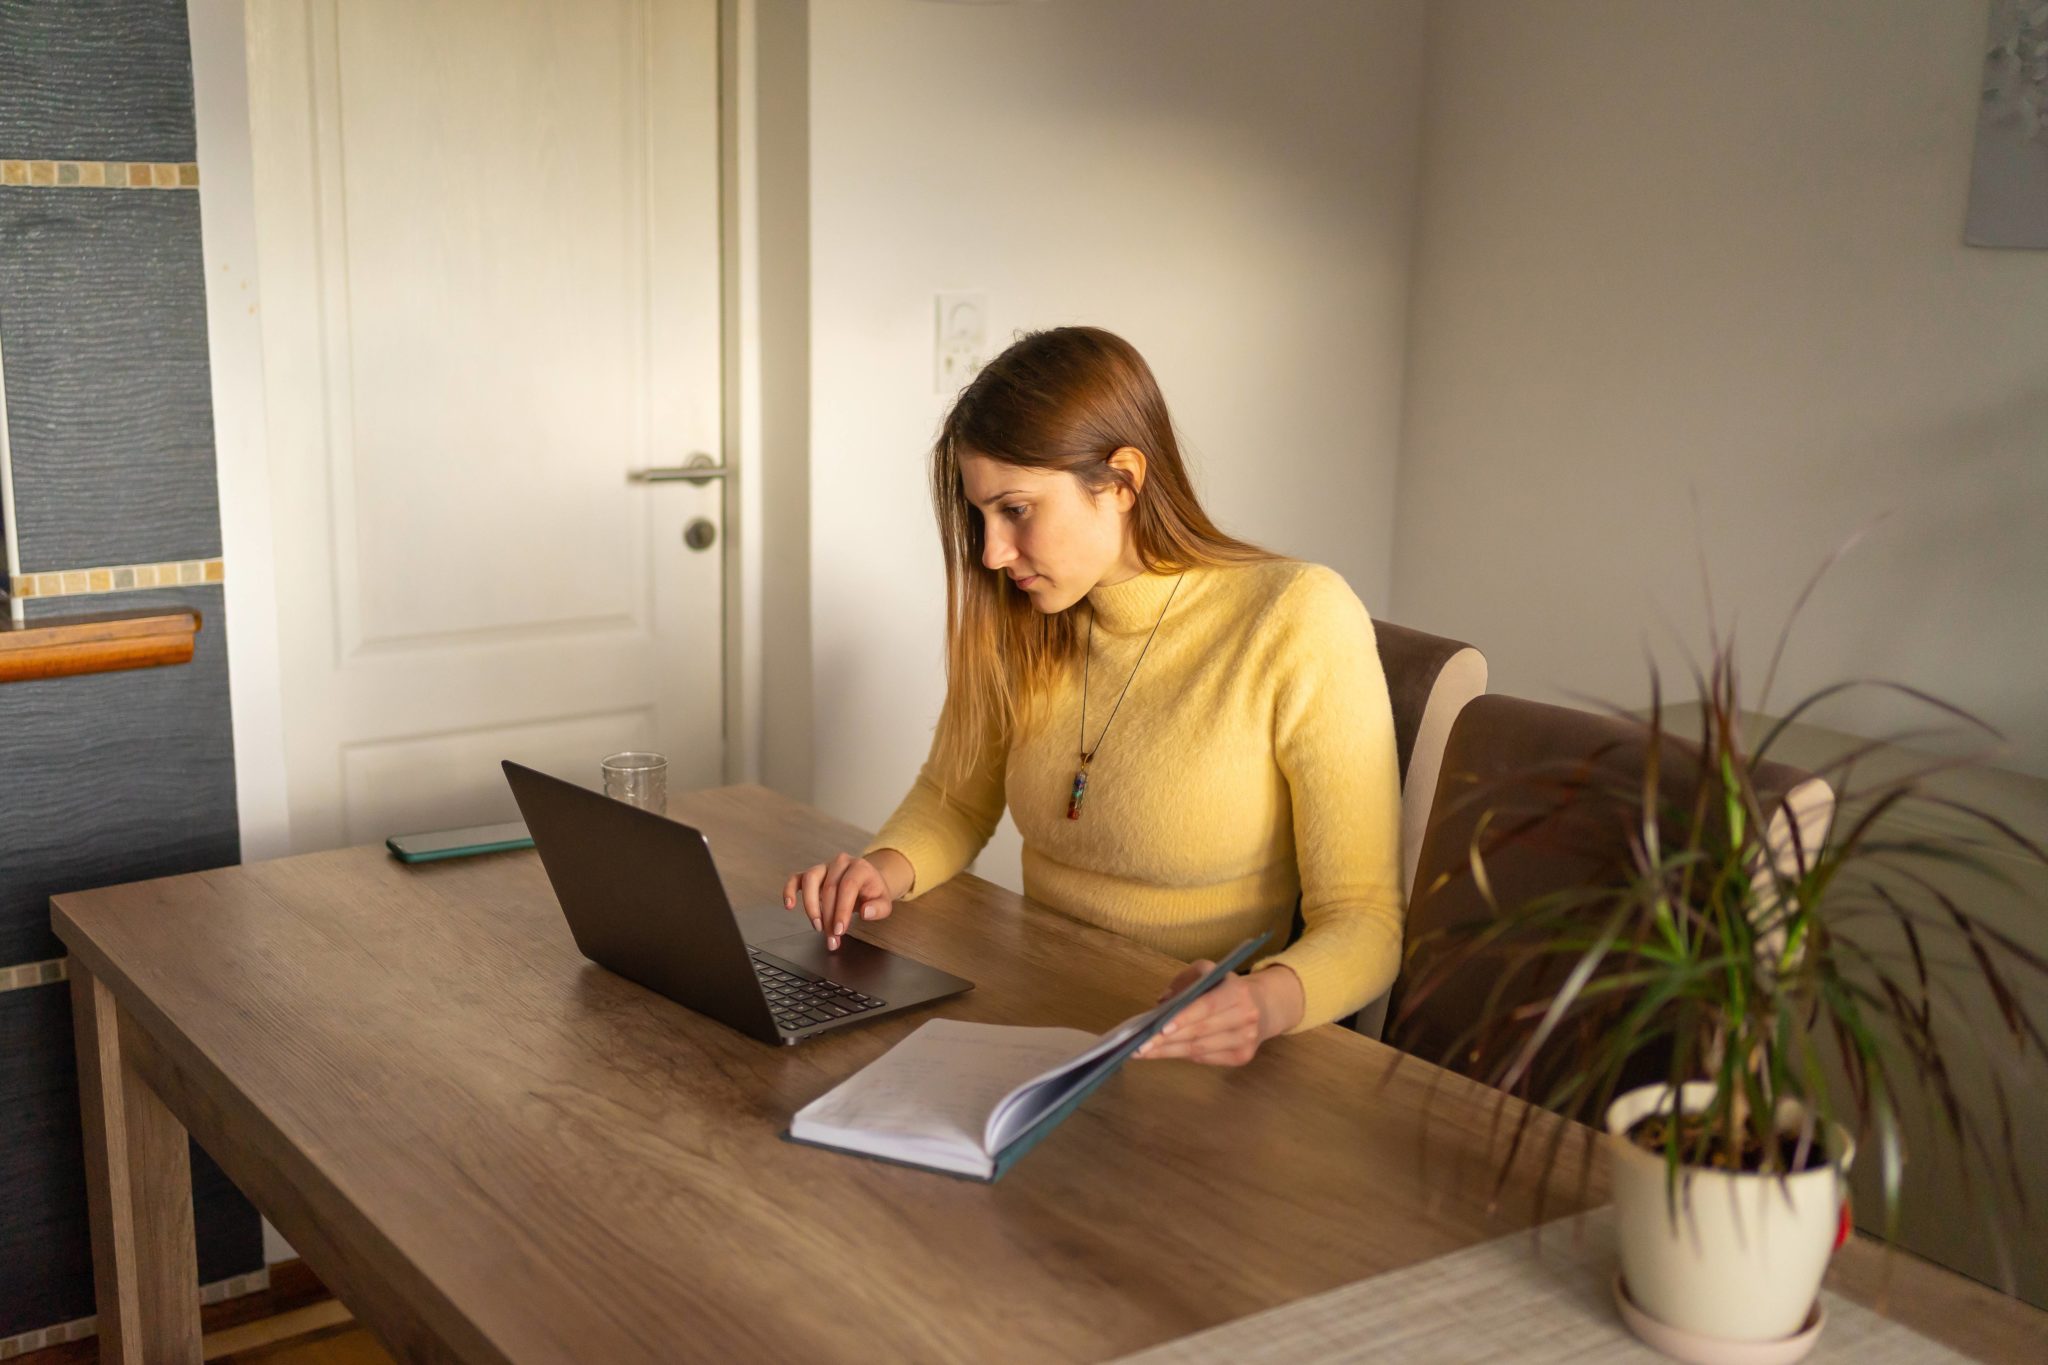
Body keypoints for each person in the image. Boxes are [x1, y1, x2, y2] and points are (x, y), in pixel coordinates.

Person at [782, 326, 1403, 1067]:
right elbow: (954, 800)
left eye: (1015, 510)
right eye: (982, 516)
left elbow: (1364, 919)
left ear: (1122, 480)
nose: (991, 553)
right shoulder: (1028, 617)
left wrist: (1260, 1002)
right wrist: (878, 871)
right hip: (1042, 1017)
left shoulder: (1298, 616)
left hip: (1201, 1054)